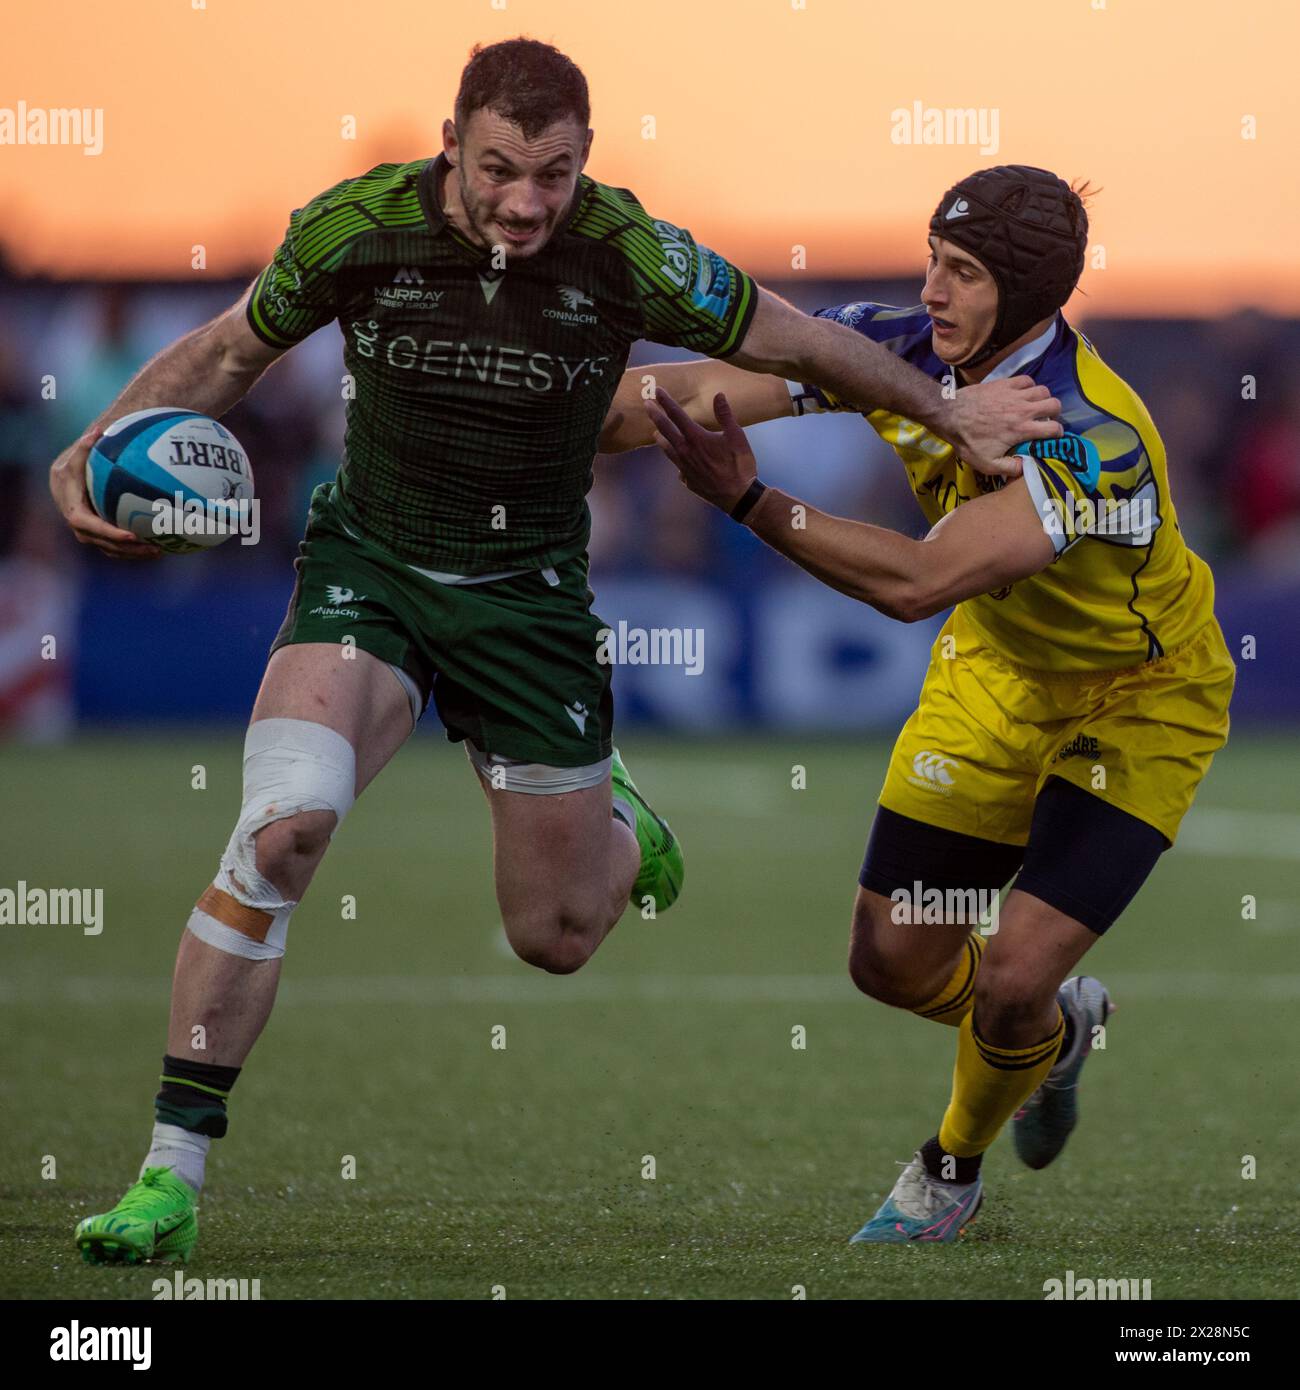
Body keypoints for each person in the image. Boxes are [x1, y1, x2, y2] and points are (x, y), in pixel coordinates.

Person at [49, 46, 1058, 1266]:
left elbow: (796, 339)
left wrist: (952, 409)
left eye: (555, 173)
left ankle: (620, 820)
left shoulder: (626, 251)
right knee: (282, 827)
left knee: (556, 934)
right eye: (499, 171)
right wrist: (95, 443)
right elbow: (223, 355)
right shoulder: (353, 229)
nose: (527, 201)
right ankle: (171, 1172)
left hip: (529, 605)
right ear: (450, 145)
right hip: (371, 571)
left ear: (585, 158)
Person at [612, 165, 1234, 1242]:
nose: (930, 291)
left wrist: (749, 501)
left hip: (1140, 700)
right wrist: (502, 415)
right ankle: (1050, 1035)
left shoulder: (1096, 437)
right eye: (931, 261)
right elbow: (662, 398)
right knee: (889, 961)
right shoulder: (895, 349)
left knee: (1011, 976)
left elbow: (914, 584)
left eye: (962, 274)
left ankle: (946, 1171)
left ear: (1030, 297)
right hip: (994, 678)